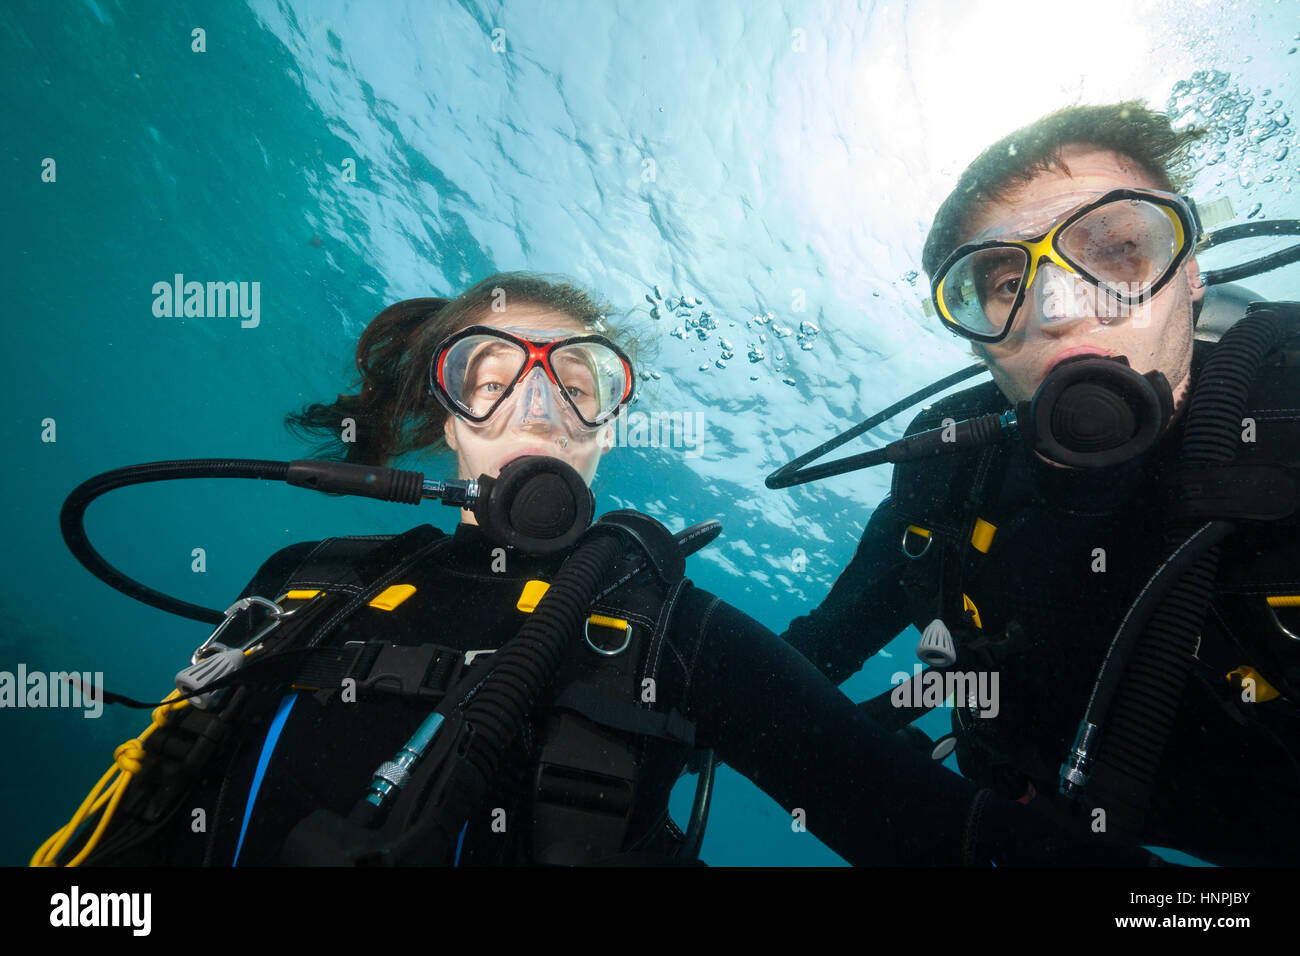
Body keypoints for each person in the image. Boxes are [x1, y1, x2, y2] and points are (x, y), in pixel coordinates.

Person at [39, 272, 1155, 867]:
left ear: (613, 418)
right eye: (491, 369)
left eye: (577, 375)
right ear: (444, 409)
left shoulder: (668, 625)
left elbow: (938, 836)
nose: (536, 400)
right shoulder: (307, 572)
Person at [782, 103, 1300, 865]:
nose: (1059, 308)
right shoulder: (948, 479)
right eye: (999, 283)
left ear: (1190, 272)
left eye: (1120, 248)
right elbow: (812, 658)